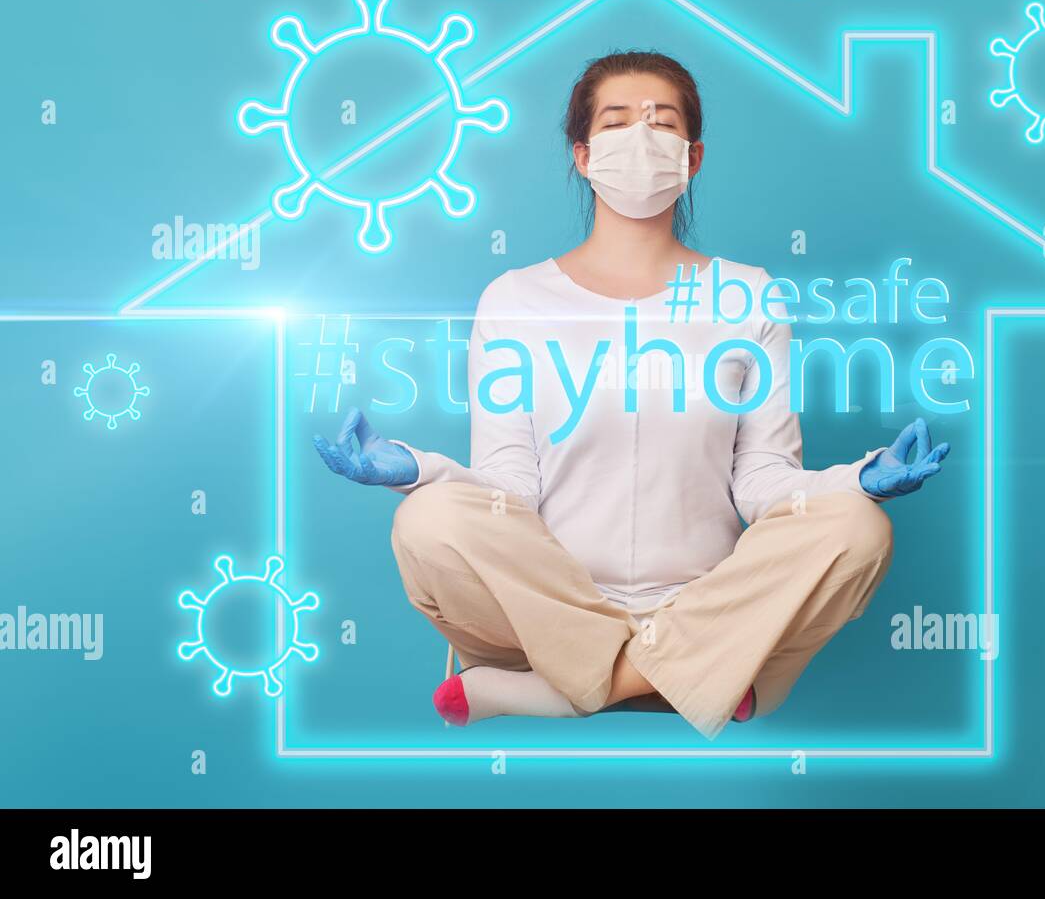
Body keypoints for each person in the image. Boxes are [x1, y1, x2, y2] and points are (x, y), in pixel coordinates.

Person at [314, 51, 949, 740]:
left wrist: (863, 479)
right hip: (551, 607)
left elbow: (763, 482)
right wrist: (417, 470)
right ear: (584, 156)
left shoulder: (749, 295)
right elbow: (508, 489)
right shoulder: (516, 300)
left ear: (693, 157)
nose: (641, 138)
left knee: (861, 528)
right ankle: (690, 679)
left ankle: (570, 686)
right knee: (425, 520)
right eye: (617, 122)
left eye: (662, 121)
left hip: (706, 601)